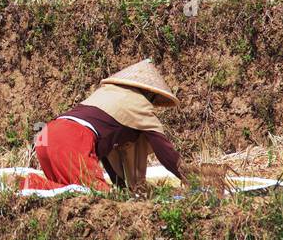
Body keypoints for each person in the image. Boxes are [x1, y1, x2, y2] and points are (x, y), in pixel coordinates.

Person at [21, 58, 191, 194]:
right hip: (71, 138)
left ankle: (33, 185)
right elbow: (165, 150)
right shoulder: (140, 105)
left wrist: (121, 190)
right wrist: (189, 178)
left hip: (47, 134)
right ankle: (31, 183)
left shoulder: (107, 94)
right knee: (95, 195)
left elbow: (105, 155)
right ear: (150, 95)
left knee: (67, 191)